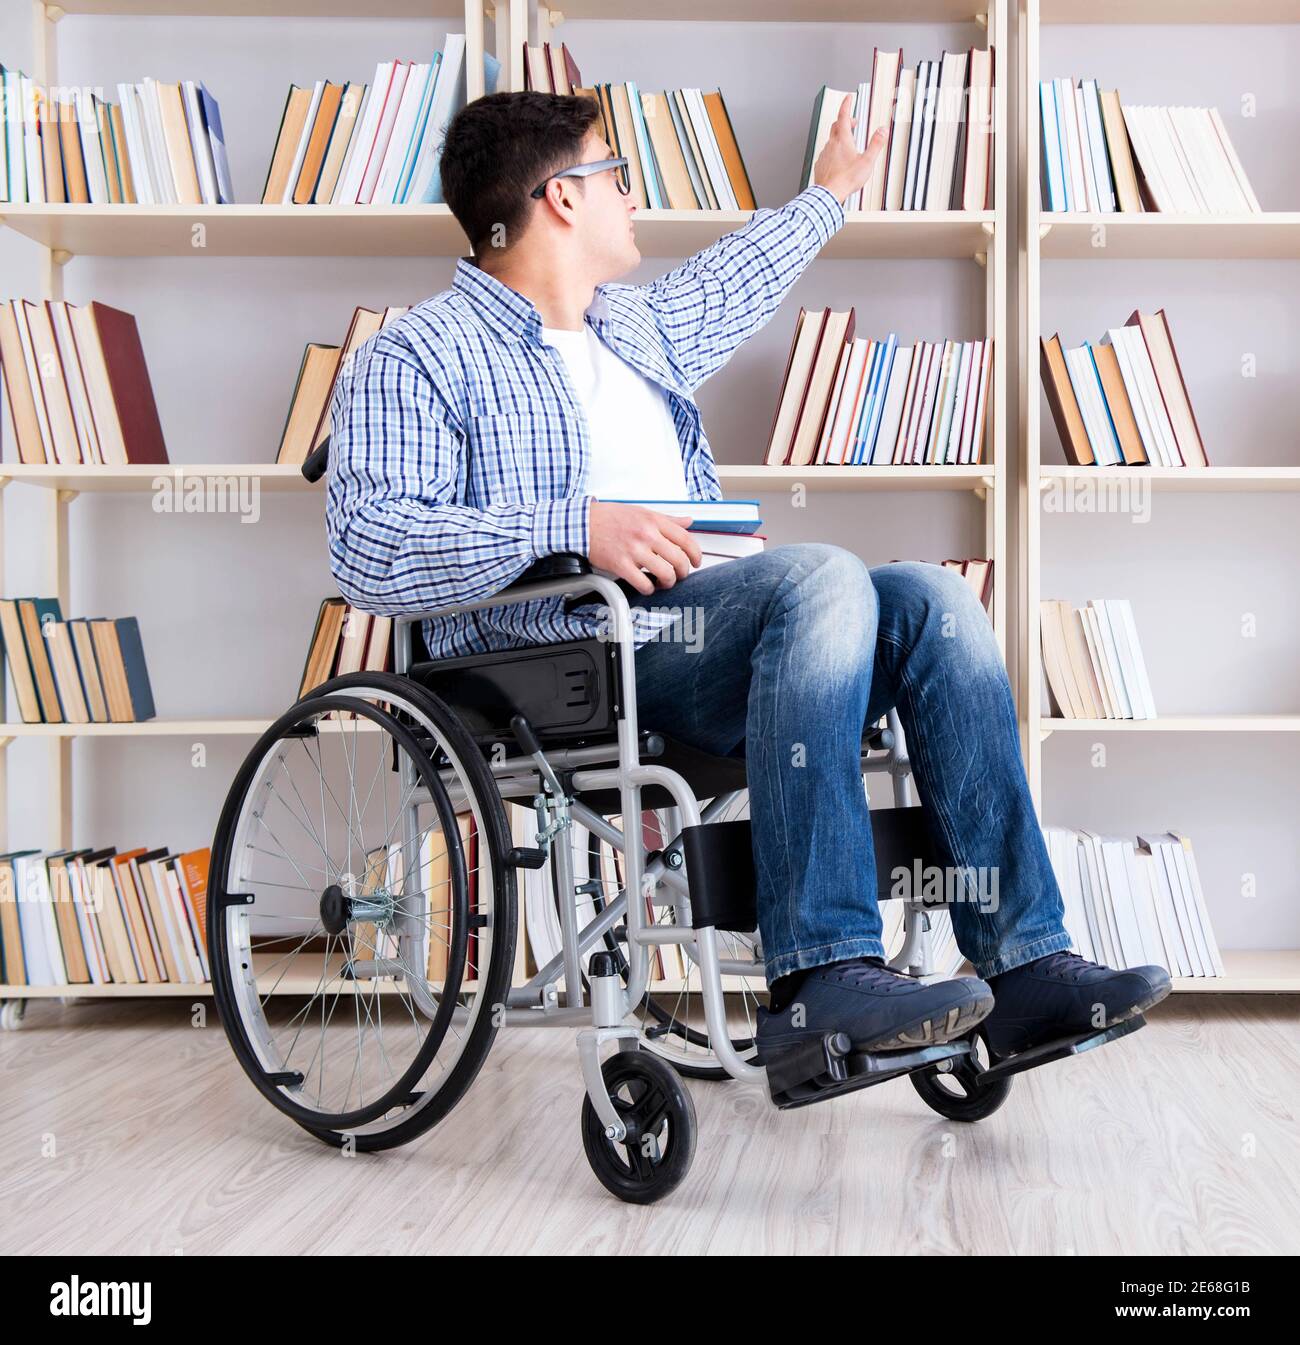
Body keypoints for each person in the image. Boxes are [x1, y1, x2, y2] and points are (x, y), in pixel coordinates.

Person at [325, 89, 1170, 1064]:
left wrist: (830, 193)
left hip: (711, 633)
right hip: (565, 658)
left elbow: (734, 278)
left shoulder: (632, 329)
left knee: (933, 600)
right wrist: (572, 525)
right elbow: (369, 547)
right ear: (560, 197)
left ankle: (1023, 968)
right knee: (812, 577)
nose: (630, 199)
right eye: (617, 176)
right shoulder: (415, 357)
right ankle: (819, 974)